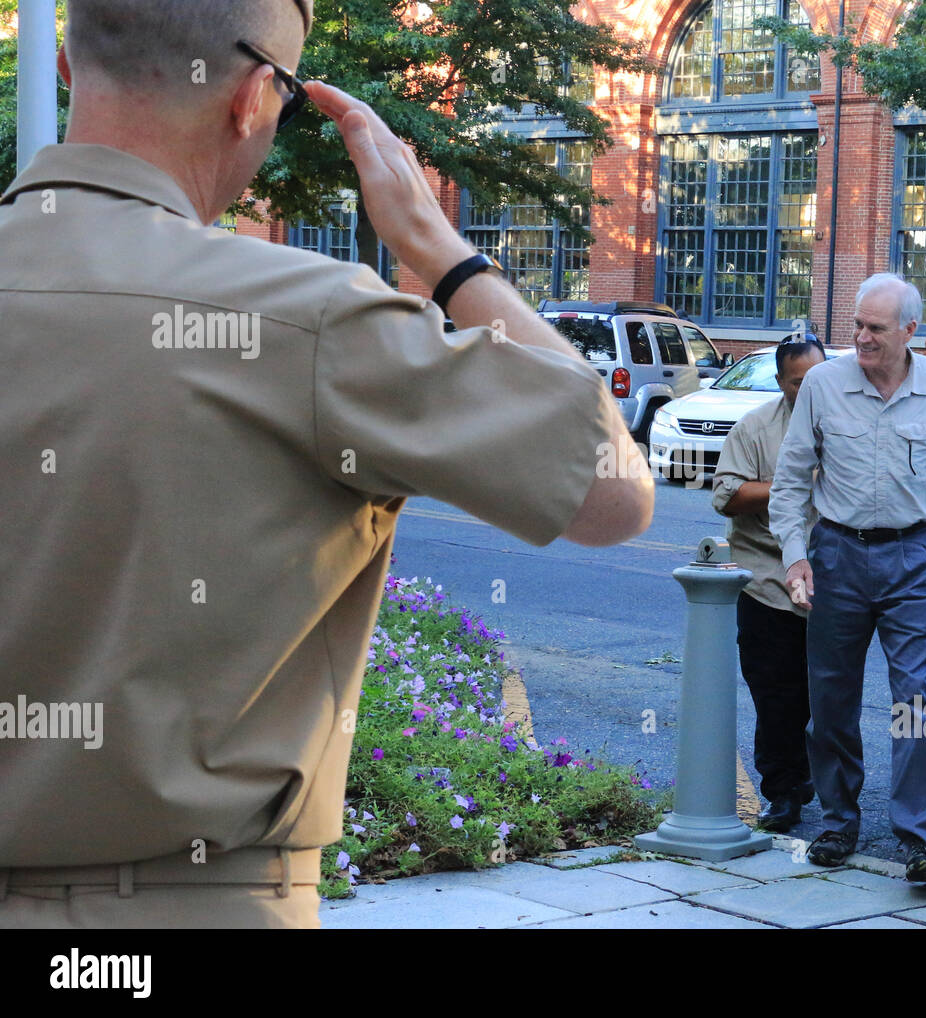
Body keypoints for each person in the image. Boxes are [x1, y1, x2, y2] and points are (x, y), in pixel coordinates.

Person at [0, 0, 653, 929]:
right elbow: (612, 494)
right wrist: (442, 253)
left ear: (67, 67)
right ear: (253, 98)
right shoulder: (308, 321)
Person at [768, 273, 926, 882]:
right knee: (831, 701)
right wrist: (795, 557)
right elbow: (791, 483)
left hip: (913, 558)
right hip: (836, 557)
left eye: (874, 328)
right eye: (856, 325)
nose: (860, 337)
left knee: (917, 702)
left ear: (909, 331)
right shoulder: (822, 384)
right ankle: (839, 822)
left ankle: (919, 839)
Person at [711, 336, 826, 833]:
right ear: (781, 382)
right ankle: (782, 792)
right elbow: (726, 493)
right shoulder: (756, 428)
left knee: (821, 698)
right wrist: (791, 486)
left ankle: (810, 776)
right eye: (801, 382)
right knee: (775, 697)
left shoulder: (850, 424)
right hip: (769, 582)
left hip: (834, 585)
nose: (811, 389)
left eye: (819, 379)